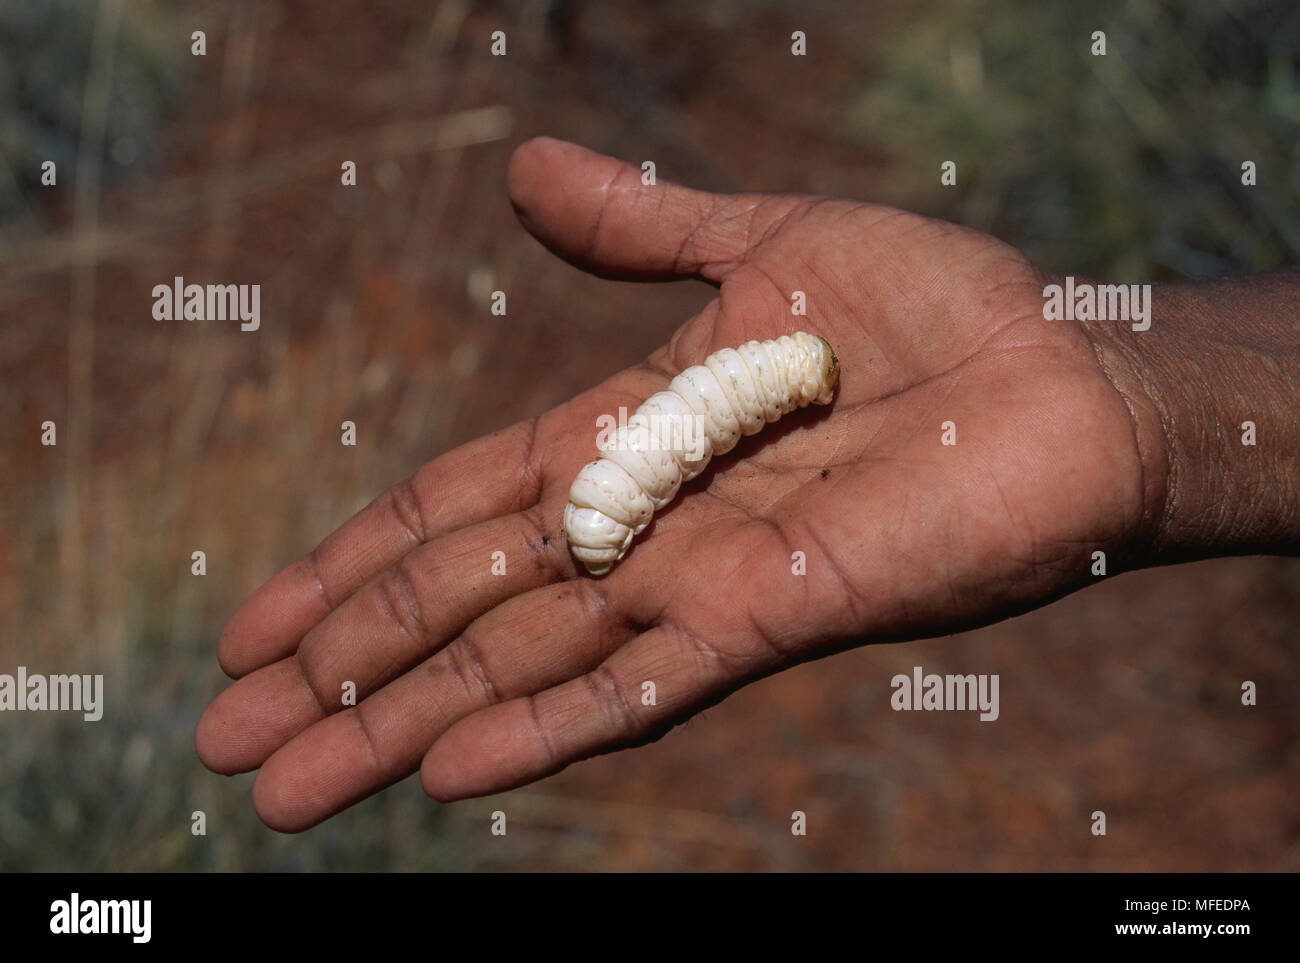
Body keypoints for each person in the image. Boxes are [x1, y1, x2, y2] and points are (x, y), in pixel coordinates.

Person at [195, 137, 1300, 832]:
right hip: (675, 452)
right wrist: (1142, 393)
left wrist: (1144, 403)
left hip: (695, 436)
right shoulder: (737, 404)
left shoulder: (774, 383)